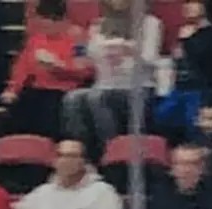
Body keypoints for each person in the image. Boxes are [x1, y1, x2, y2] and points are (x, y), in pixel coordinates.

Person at [67, 0, 168, 151]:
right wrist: (81, 46)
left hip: (138, 86)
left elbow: (151, 57)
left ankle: (111, 150)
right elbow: (89, 57)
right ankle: (81, 153)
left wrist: (130, 50)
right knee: (72, 99)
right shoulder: (98, 25)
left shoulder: (150, 23)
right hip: (104, 84)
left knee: (96, 97)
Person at [1, 0, 91, 140]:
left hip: (64, 90)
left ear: (62, 21)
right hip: (37, 88)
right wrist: (13, 89)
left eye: (50, 21)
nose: (45, 25)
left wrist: (59, 66)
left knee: (48, 114)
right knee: (13, 114)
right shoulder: (36, 40)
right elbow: (22, 68)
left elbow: (84, 71)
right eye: (42, 21)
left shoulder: (78, 40)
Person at [155, 0, 212, 135]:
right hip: (179, 87)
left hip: (201, 90)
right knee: (162, 116)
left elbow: (203, 56)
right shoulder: (183, 31)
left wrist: (187, 40)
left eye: (193, 3)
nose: (187, 7)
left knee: (194, 125)